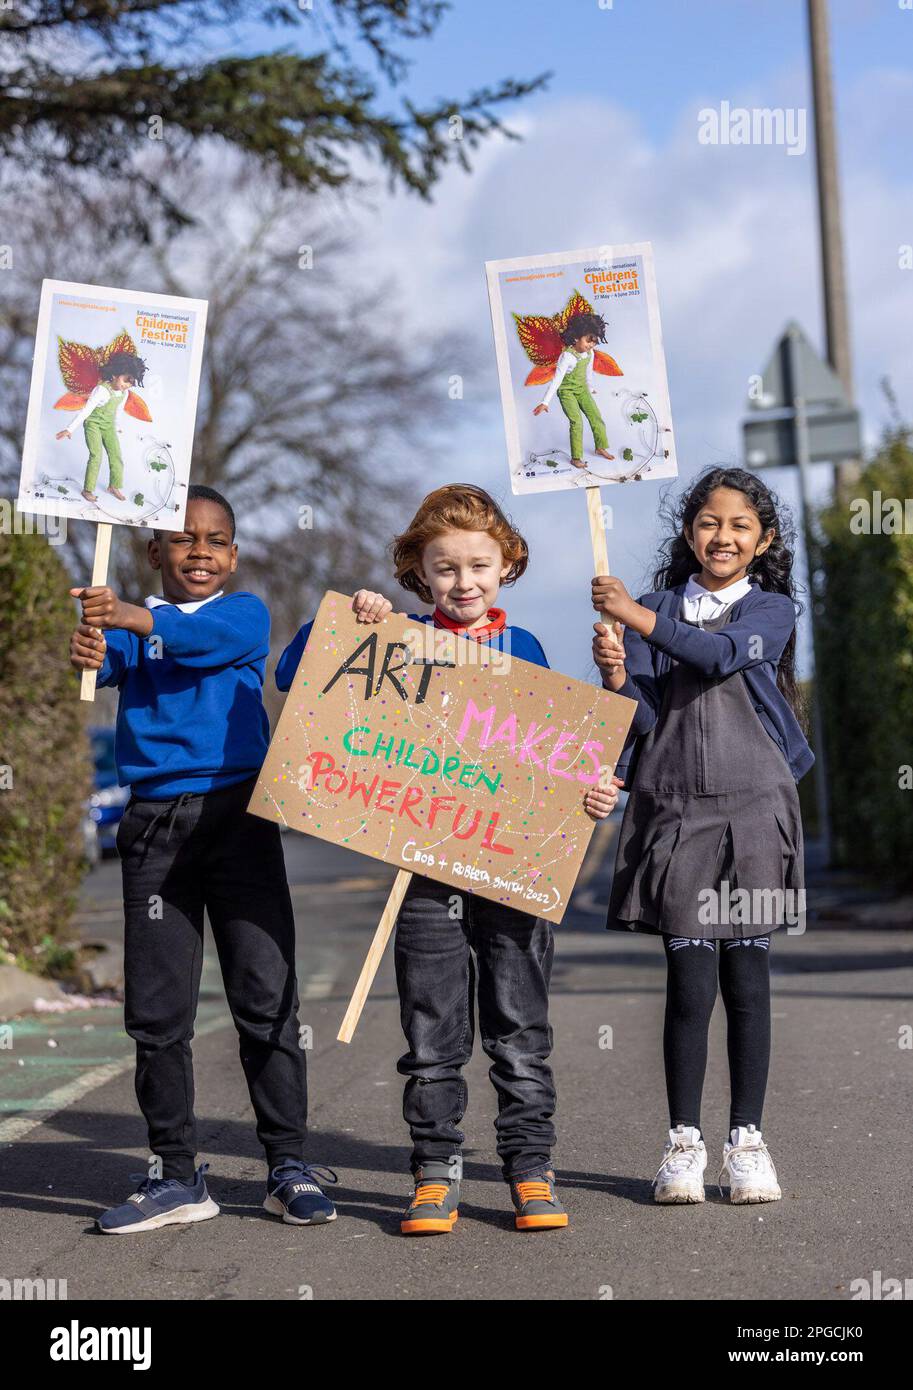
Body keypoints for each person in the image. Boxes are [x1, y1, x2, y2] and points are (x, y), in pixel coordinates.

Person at [277, 484, 619, 1234]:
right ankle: (435, 1172)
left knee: (520, 1033)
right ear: (418, 573)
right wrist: (346, 618)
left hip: (511, 872)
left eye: (477, 566)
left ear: (507, 567)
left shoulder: (523, 650)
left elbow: (554, 758)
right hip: (425, 873)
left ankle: (530, 1171)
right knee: (432, 1038)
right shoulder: (394, 639)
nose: (463, 583)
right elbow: (293, 673)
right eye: (444, 569)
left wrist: (587, 794)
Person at [69, 484, 336, 1233]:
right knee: (156, 1013)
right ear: (153, 552)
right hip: (155, 825)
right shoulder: (126, 628)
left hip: (239, 817)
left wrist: (128, 616)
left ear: (234, 555)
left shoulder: (242, 616)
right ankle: (176, 1174)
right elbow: (111, 658)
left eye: (216, 540)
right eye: (183, 539)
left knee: (265, 997)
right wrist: (91, 642)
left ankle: (287, 1164)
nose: (200, 551)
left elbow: (190, 642)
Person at [591, 466, 813, 1205]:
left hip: (754, 809)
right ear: (689, 533)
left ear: (763, 540)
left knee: (745, 980)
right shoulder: (653, 608)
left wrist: (637, 617)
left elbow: (718, 657)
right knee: (689, 984)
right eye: (709, 523)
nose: (723, 536)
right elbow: (645, 718)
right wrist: (618, 674)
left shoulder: (770, 610)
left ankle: (745, 1141)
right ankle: (681, 1141)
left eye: (739, 526)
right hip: (675, 810)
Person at [56, 351, 147, 504]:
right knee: (96, 456)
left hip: (108, 426)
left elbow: (117, 410)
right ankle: (88, 489)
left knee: (116, 454)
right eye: (126, 380)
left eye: (131, 382)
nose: (128, 385)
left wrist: (116, 426)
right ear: (114, 375)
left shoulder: (123, 393)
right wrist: (70, 429)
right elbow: (86, 410)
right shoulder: (101, 391)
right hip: (93, 424)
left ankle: (114, 485)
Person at [533, 312, 616, 468]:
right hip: (566, 391)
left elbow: (588, 372)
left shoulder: (589, 353)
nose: (591, 345)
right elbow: (556, 380)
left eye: (594, 342)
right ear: (577, 337)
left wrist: (590, 388)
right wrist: (545, 402)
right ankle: (576, 458)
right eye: (588, 340)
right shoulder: (567, 357)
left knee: (596, 416)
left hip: (582, 389)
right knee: (576, 422)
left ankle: (600, 447)